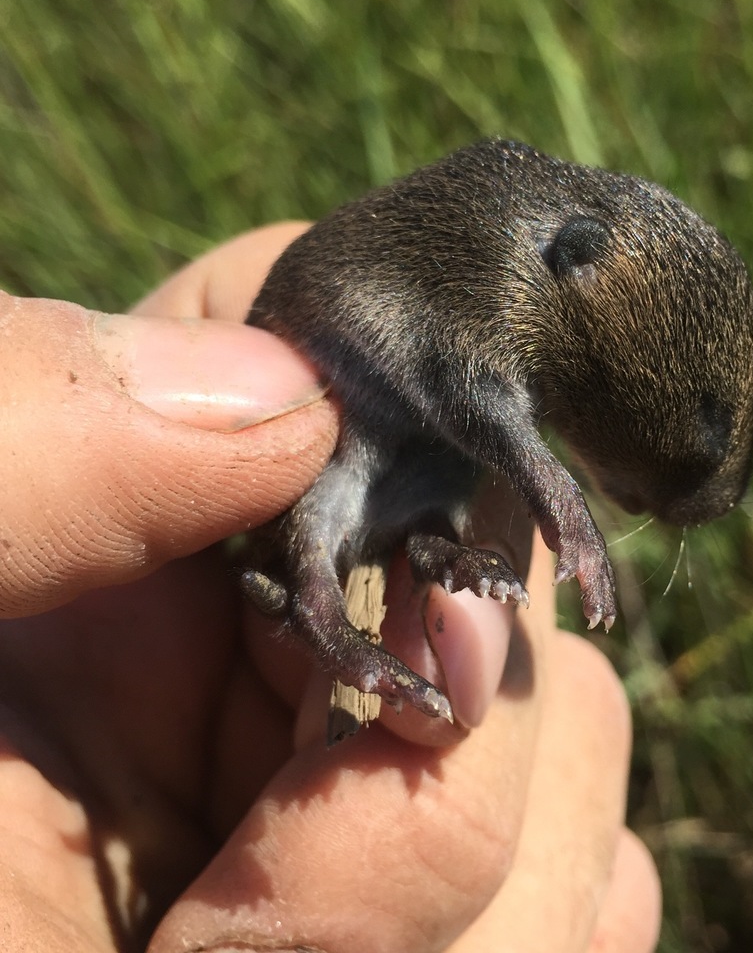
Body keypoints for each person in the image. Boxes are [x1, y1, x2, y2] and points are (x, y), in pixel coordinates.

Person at [0, 224, 661, 952]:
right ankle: (332, 620)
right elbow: (471, 392)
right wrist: (565, 508)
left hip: (390, 474)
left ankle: (421, 559)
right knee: (340, 511)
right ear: (577, 263)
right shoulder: (488, 286)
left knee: (447, 488)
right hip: (325, 423)